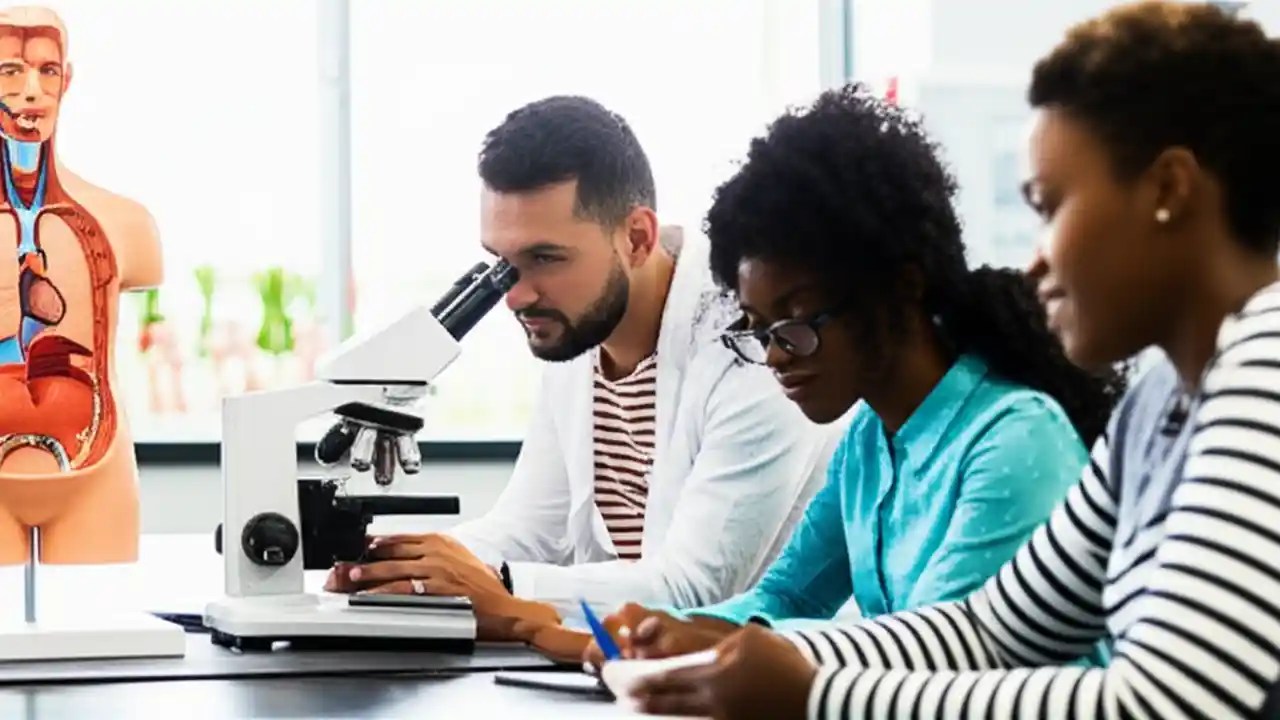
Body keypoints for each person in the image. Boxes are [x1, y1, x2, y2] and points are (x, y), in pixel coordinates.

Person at [628, 3, 1280, 718]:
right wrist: (748, 650)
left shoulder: (1266, 374)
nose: (1038, 260)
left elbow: (1169, 703)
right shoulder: (1165, 402)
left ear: (1168, 189)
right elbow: (989, 629)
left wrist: (817, 692)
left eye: (1050, 205)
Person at [579, 75, 1125, 667]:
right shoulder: (868, 442)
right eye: (758, 328)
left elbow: (938, 655)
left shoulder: (1014, 437)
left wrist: (732, 648)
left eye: (796, 321)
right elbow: (784, 597)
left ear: (900, 288)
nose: (775, 355)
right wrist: (665, 629)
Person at [324, 95, 838, 640]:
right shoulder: (577, 333)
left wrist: (491, 584)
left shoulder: (754, 344)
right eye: (502, 264)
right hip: (615, 663)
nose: (515, 296)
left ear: (637, 238)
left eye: (545, 258)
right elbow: (529, 530)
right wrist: (399, 567)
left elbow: (694, 588)